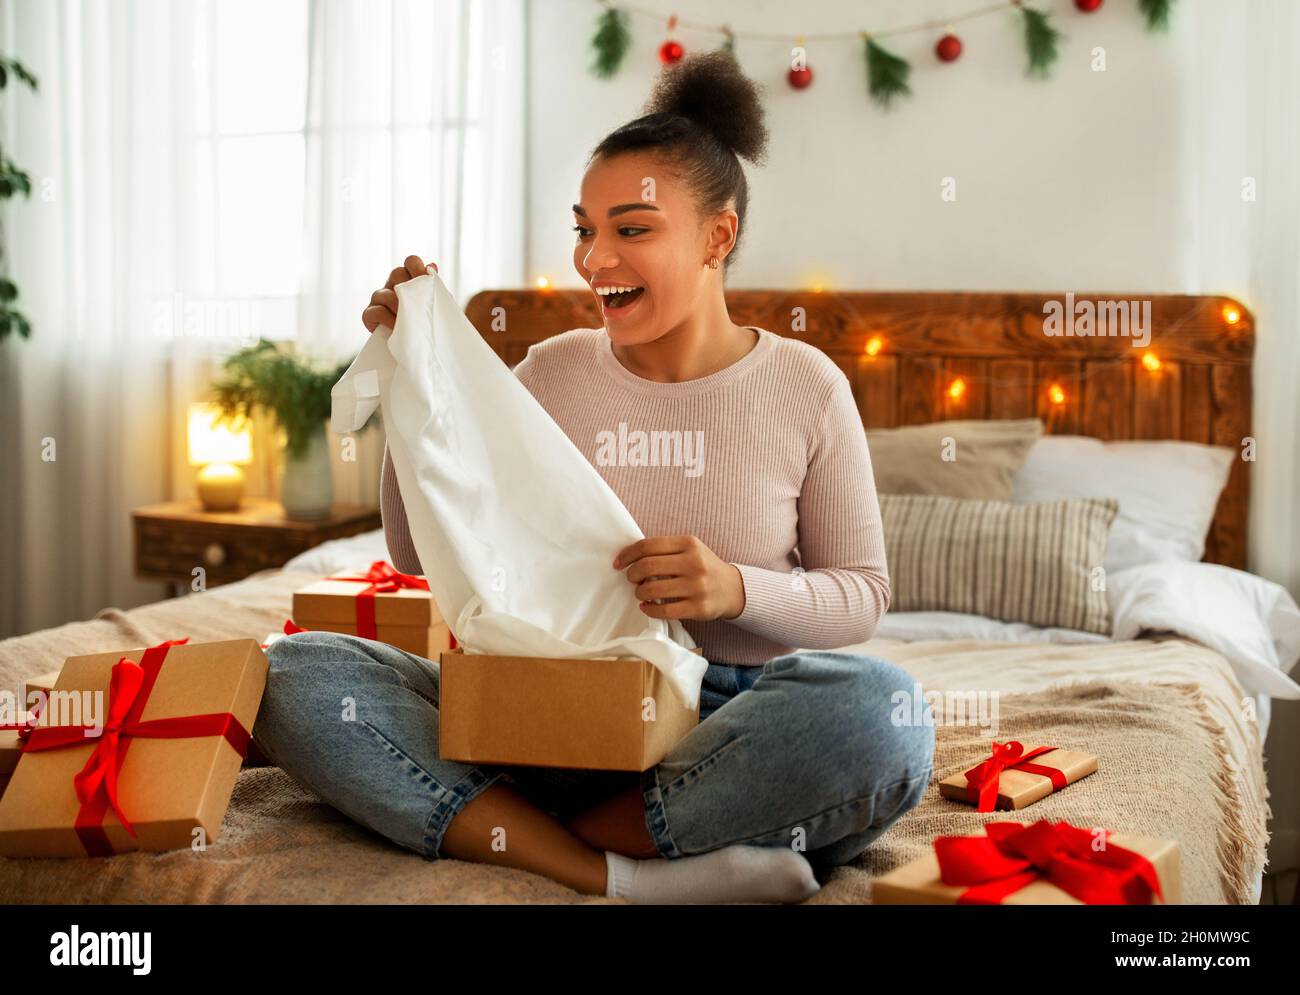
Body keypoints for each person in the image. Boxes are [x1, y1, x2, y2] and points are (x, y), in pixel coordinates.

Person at [254, 50, 934, 905]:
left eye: (631, 229)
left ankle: (530, 834)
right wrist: (414, 380)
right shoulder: (551, 372)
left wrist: (733, 589)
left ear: (717, 236)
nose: (594, 257)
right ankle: (618, 872)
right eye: (585, 228)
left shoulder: (807, 387)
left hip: (719, 723)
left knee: (880, 710)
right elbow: (416, 551)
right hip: (536, 706)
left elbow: (863, 593)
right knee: (294, 670)